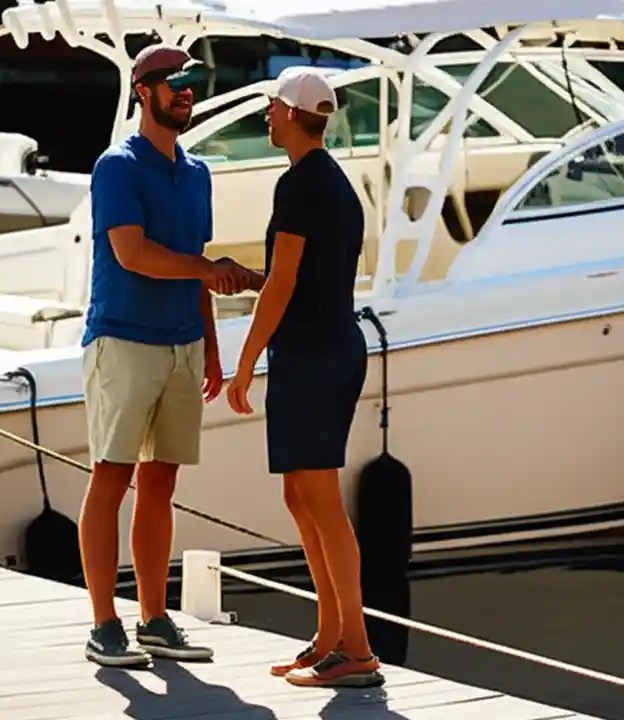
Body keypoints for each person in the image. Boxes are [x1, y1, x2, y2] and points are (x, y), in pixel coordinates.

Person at [78, 42, 251, 668]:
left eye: (190, 83)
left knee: (161, 484)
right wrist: (209, 270)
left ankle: (154, 620)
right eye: (173, 82)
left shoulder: (198, 172)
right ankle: (104, 625)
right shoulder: (116, 166)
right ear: (143, 91)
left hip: (182, 344)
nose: (185, 92)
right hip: (123, 341)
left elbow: (194, 273)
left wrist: (209, 348)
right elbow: (133, 253)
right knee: (111, 479)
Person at [225, 66, 383, 688]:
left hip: (315, 357)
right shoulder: (328, 182)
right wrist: (254, 280)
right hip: (324, 347)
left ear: (292, 114)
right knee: (300, 496)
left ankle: (358, 650)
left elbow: (288, 282)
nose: (266, 115)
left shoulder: (301, 185)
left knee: (318, 498)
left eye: (270, 107)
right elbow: (302, 283)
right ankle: (329, 638)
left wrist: (243, 364)